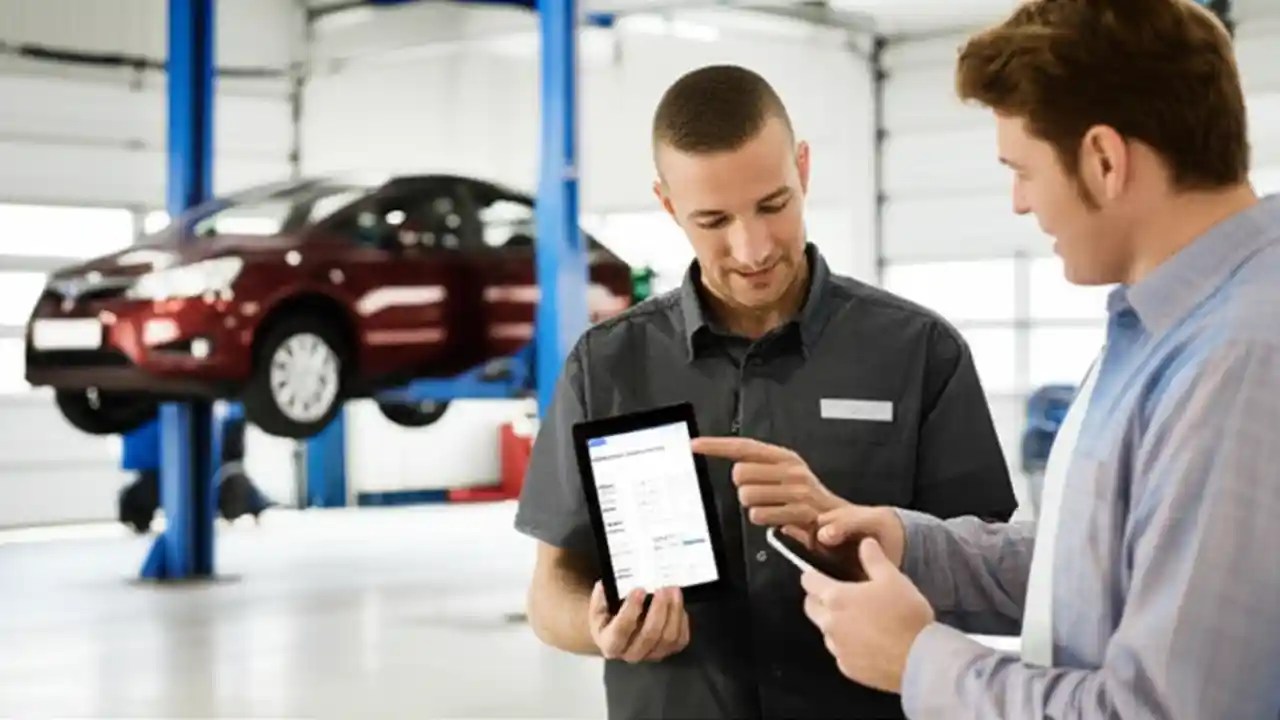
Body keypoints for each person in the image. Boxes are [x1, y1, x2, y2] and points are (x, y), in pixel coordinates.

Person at [695, 1, 1280, 717]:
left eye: (1023, 170)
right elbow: (1096, 565)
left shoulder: (1241, 360)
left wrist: (917, 663)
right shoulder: (1167, 326)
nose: (1018, 203)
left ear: (1104, 160)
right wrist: (906, 544)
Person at [514, 64, 1018, 719]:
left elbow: (983, 573)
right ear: (668, 205)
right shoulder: (605, 365)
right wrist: (600, 627)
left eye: (773, 206)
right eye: (713, 219)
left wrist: (855, 535)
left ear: (802, 169)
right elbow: (551, 588)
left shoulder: (920, 352)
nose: (751, 249)